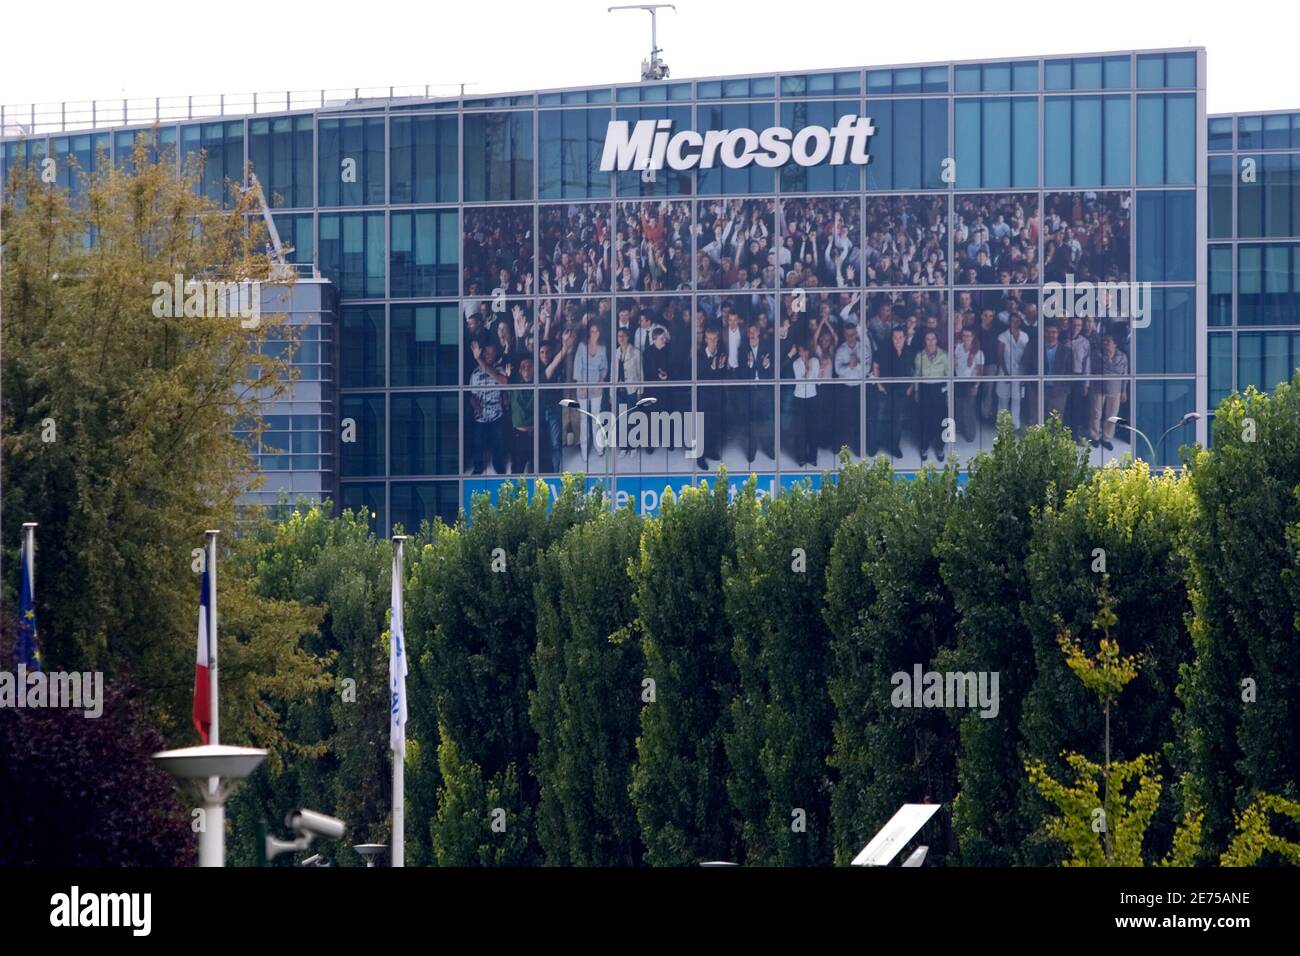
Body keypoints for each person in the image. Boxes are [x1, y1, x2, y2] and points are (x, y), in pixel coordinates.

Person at [468, 340, 509, 474]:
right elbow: (471, 396)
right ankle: (478, 466)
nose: (488, 355)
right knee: (477, 442)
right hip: (480, 417)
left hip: (497, 414)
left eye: (491, 353)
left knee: (499, 442)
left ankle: (498, 465)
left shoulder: (499, 370)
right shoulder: (474, 374)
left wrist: (478, 359)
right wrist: (477, 407)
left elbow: (503, 382)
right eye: (486, 353)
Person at [572, 321, 609, 465]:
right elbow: (577, 366)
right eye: (592, 331)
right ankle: (584, 449)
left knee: (595, 418)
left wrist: (600, 379)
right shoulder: (582, 347)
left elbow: (604, 368)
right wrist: (582, 384)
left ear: (600, 333)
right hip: (582, 386)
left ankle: (598, 447)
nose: (594, 334)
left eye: (596, 331)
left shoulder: (602, 348)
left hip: (596, 387)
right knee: (583, 418)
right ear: (588, 332)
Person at [913, 329, 949, 462]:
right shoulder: (919, 356)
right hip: (925, 389)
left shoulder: (944, 355)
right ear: (924, 341)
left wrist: (948, 395)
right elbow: (916, 375)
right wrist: (916, 391)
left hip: (939, 390)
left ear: (937, 340)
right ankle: (924, 447)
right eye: (928, 339)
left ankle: (940, 448)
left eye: (933, 339)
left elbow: (949, 376)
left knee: (941, 419)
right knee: (925, 420)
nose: (930, 342)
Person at [1088, 333, 1128, 450]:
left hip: (1115, 389)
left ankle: (1106, 438)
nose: (1105, 344)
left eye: (1108, 341)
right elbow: (1091, 371)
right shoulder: (1097, 355)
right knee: (1096, 413)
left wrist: (1123, 391)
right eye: (1104, 341)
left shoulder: (1122, 357)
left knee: (1112, 415)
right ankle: (1094, 436)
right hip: (1098, 387)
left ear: (1115, 344)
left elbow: (1125, 375)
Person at [611, 327, 644, 459]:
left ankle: (634, 445)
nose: (621, 338)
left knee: (633, 418)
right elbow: (612, 375)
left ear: (628, 337)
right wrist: (611, 393)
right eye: (619, 336)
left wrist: (640, 391)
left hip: (631, 391)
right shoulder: (616, 353)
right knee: (622, 419)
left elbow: (640, 373)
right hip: (619, 392)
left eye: (623, 336)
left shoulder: (635, 352)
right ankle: (624, 446)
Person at [996, 312, 1030, 431]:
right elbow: (1000, 356)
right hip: (1004, 370)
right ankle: (1002, 425)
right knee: (1003, 398)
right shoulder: (1003, 336)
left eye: (1018, 320)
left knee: (1017, 398)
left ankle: (1015, 425)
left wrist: (1023, 371)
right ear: (1009, 322)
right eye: (1013, 320)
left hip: (1019, 371)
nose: (1016, 322)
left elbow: (1026, 355)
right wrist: (1006, 373)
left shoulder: (1025, 336)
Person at [790, 341, 819, 467]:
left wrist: (809, 370)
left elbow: (814, 379)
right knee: (800, 429)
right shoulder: (796, 363)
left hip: (812, 397)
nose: (803, 354)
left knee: (813, 429)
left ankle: (813, 457)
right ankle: (801, 457)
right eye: (801, 351)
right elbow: (801, 381)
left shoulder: (815, 361)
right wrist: (808, 370)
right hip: (799, 398)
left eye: (805, 351)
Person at [952, 326, 983, 443]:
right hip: (958, 382)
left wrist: (976, 385)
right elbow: (955, 364)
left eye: (968, 336)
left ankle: (970, 434)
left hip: (970, 384)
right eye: (964, 336)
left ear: (973, 337)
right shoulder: (958, 348)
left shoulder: (978, 352)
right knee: (958, 407)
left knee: (968, 409)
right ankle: (959, 428)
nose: (966, 338)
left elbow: (980, 371)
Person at [510, 358, 534, 473]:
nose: (527, 368)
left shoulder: (540, 382)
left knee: (539, 476)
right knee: (517, 472)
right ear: (519, 370)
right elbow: (495, 374)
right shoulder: (514, 383)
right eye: (523, 366)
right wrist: (479, 359)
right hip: (519, 436)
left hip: (536, 436)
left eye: (529, 365)